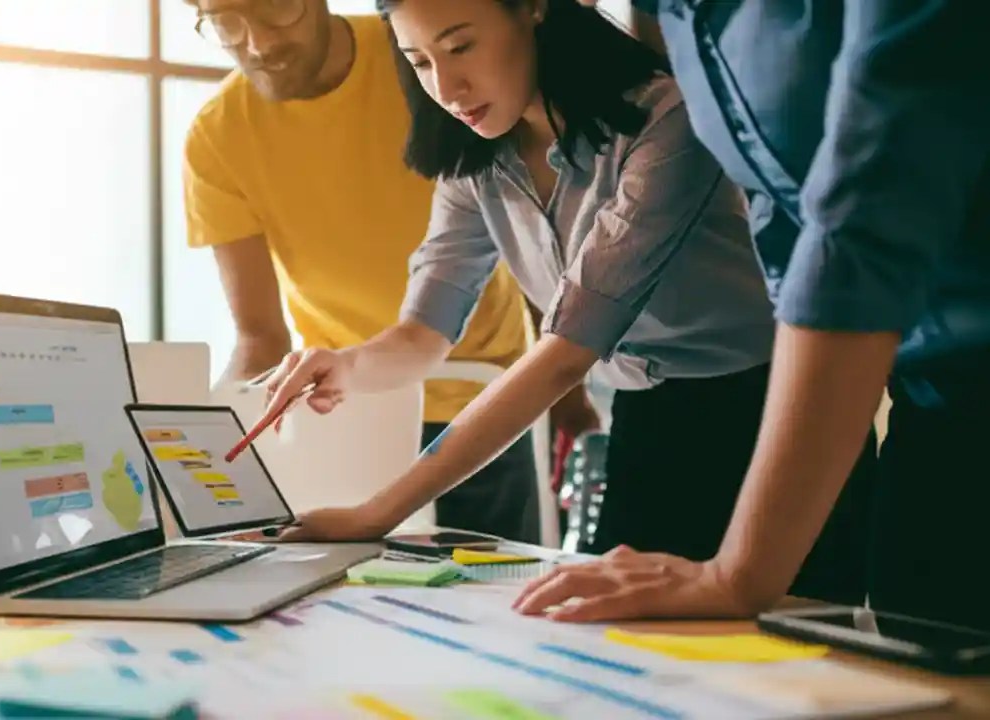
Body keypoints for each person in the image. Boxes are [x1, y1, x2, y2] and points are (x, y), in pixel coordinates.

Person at [265, 0, 876, 606]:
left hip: (774, 415)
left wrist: (378, 512)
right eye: (420, 62)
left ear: (533, 9)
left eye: (460, 47)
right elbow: (423, 335)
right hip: (644, 424)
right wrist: (345, 366)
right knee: (623, 645)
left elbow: (567, 354)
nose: (446, 88)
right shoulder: (475, 162)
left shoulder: (664, 118)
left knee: (802, 642)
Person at [513, 0, 990, 632]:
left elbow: (867, 211)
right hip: (933, 396)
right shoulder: (680, 19)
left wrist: (738, 574)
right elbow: (785, 224)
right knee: (922, 650)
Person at [182, 0, 557, 543]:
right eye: (225, 22)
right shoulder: (218, 134)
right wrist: (200, 443)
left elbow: (536, 228)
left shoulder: (423, 56)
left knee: (501, 586)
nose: (259, 44)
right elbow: (259, 339)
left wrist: (565, 380)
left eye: (275, 8)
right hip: (346, 407)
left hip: (487, 398)